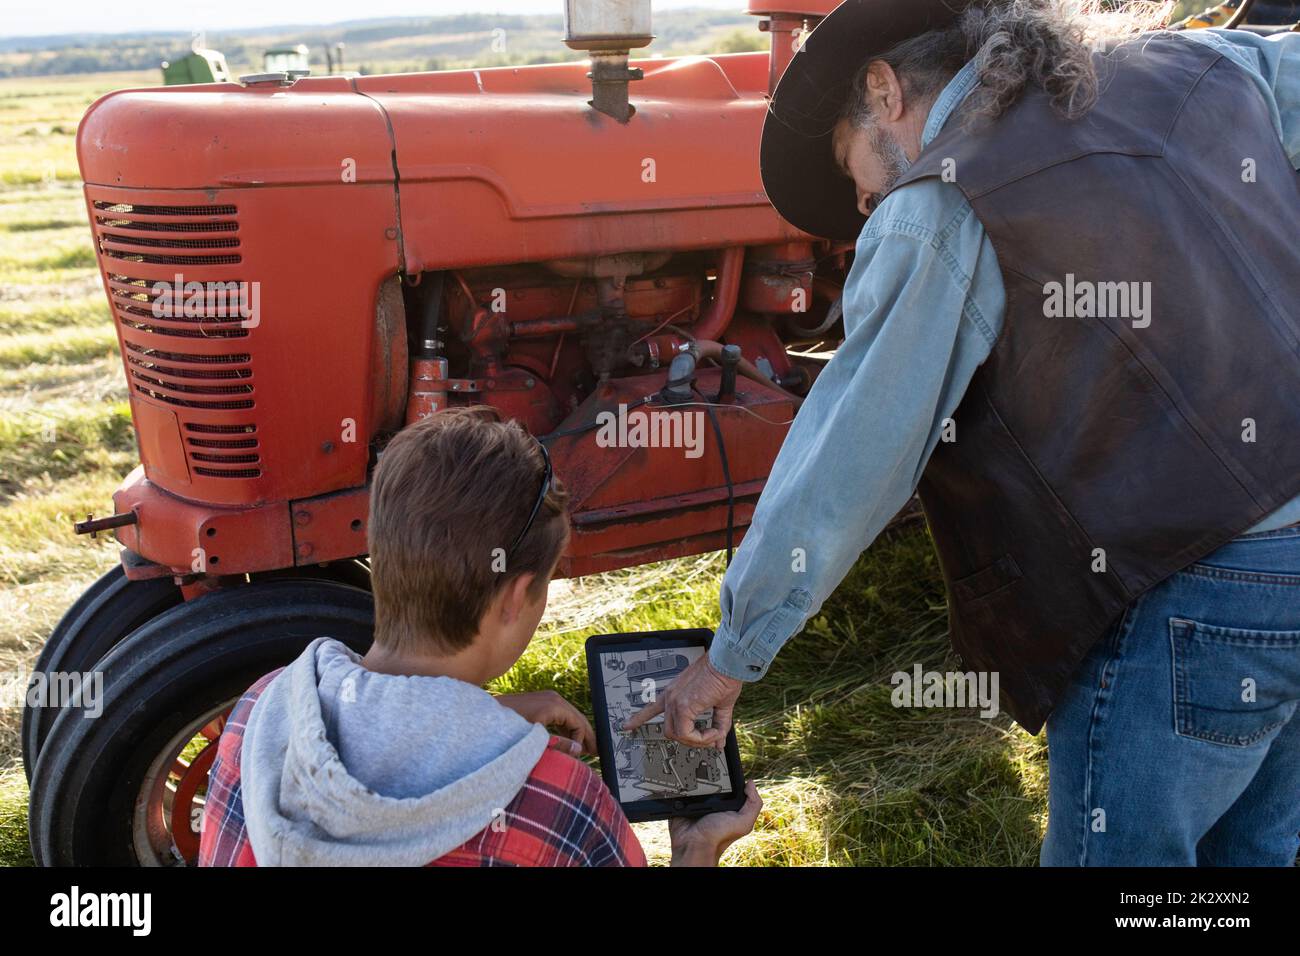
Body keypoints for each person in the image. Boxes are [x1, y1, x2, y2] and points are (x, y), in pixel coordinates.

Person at [627, 0, 1300, 866]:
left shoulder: (939, 203)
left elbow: (849, 463)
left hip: (1187, 596)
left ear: (884, 89)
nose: (869, 204)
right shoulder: (1202, 66)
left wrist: (729, 658)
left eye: (856, 172)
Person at [199, 406, 760, 866]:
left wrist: (478, 718)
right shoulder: (559, 804)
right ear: (515, 598)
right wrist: (694, 849)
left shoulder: (263, 710)